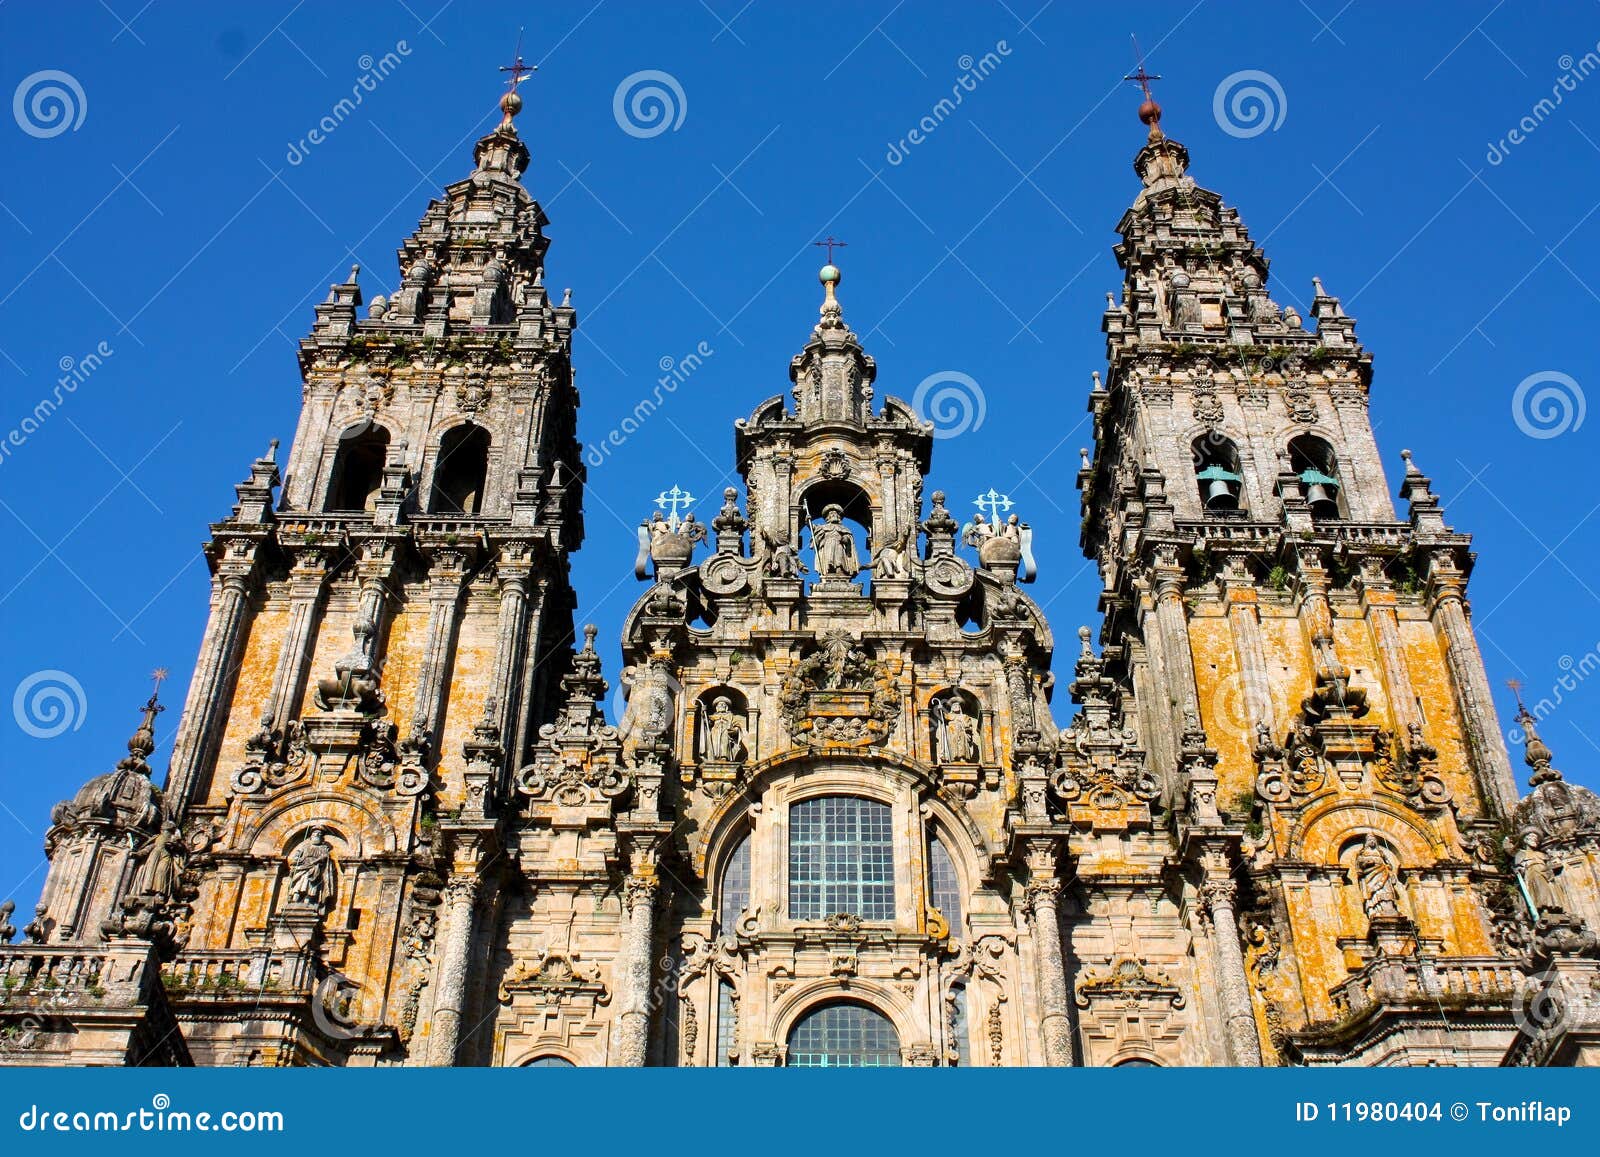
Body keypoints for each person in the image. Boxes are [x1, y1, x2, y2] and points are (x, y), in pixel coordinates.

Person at [288, 827, 337, 909]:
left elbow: (325, 857)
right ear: (311, 836)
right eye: (315, 833)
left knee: (311, 885)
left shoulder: (323, 848)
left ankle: (308, 901)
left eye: (319, 834)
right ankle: (295, 900)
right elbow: (297, 855)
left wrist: (315, 861)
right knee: (299, 884)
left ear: (322, 838)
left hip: (315, 868)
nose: (317, 835)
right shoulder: (305, 847)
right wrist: (297, 859)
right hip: (303, 866)